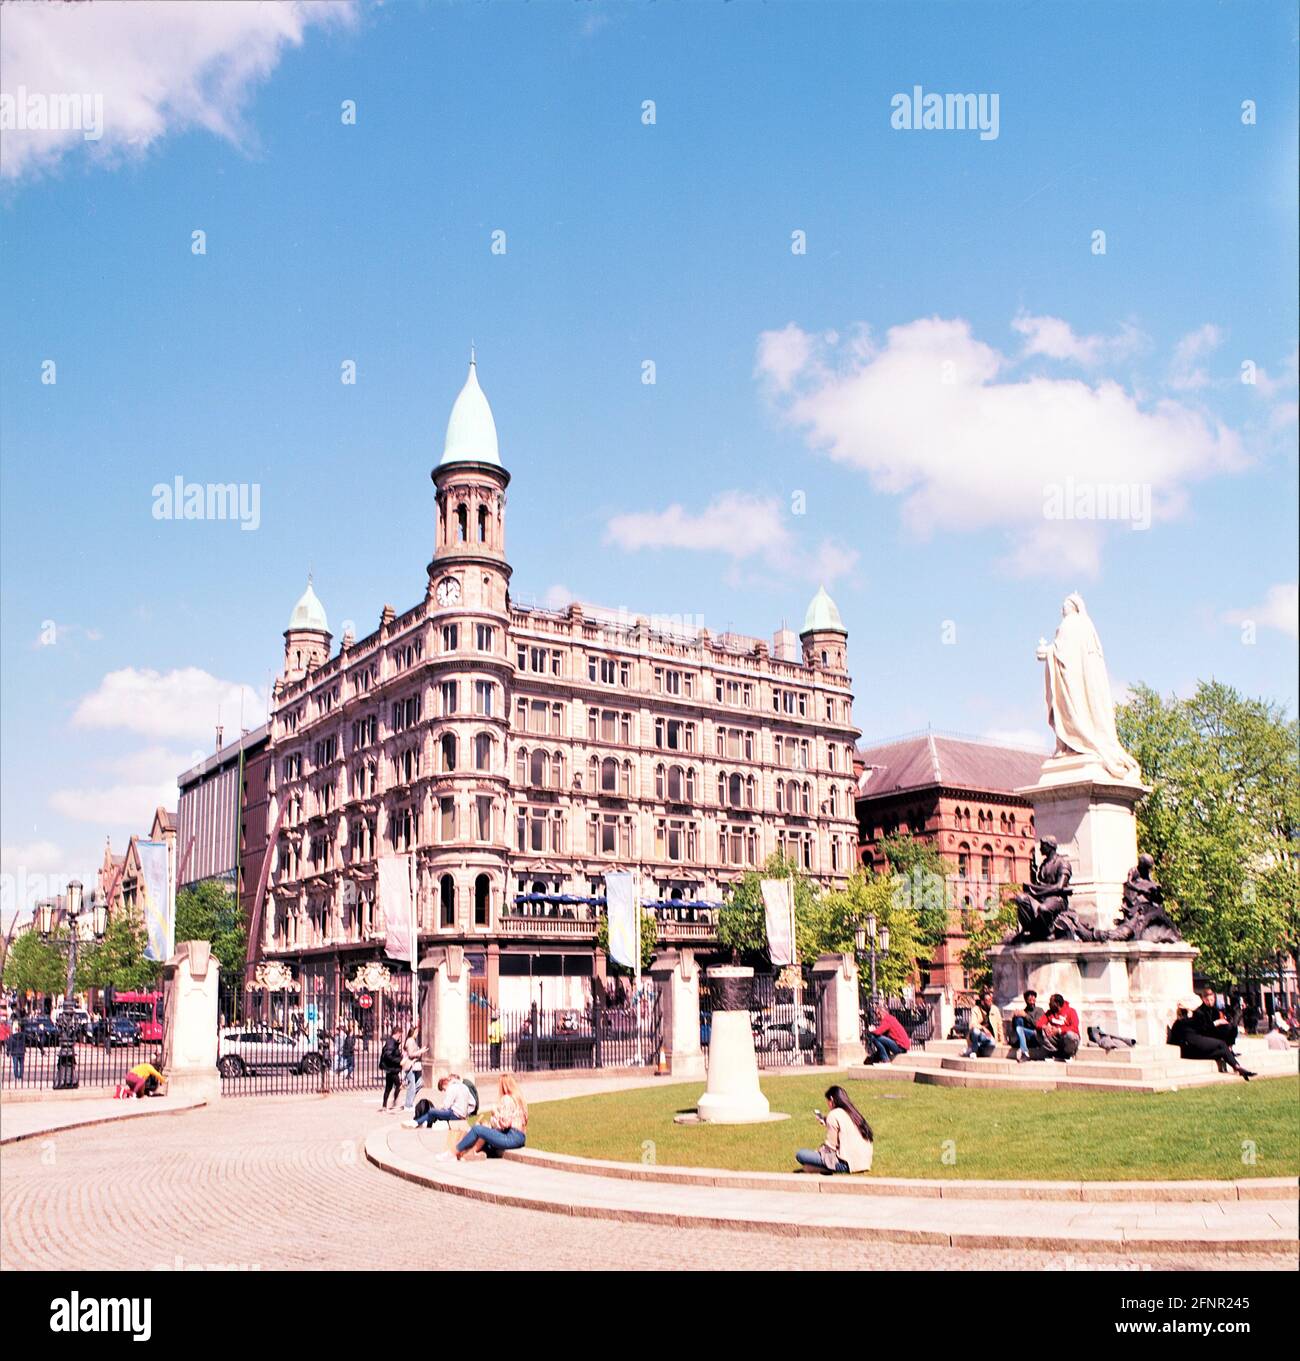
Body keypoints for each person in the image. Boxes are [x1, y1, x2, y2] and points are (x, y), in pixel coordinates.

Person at [794, 1085, 874, 1175]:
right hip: (864, 1162)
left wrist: (818, 1152)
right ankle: (816, 1168)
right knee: (814, 1159)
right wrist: (826, 1121)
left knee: (801, 1154)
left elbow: (831, 1146)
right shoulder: (853, 1113)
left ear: (831, 1099)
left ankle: (818, 1168)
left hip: (845, 1164)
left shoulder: (833, 1114)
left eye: (827, 1101)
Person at [1168, 1001, 1255, 1080]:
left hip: (1190, 1052)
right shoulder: (1188, 1021)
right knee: (1221, 1044)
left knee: (1222, 1051)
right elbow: (1204, 1029)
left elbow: (1174, 1039)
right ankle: (1237, 1067)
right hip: (1193, 1047)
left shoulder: (1178, 1024)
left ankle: (1238, 1067)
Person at [453, 1072, 528, 1160]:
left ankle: (454, 1151)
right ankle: (469, 1153)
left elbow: (504, 1124)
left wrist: (494, 1113)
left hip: (511, 1137)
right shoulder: (519, 1099)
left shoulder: (507, 1099)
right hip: (519, 1137)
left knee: (477, 1129)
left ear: (503, 1086)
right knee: (484, 1135)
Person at [406, 1073, 475, 1129]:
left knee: (432, 1111)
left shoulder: (451, 1088)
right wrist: (466, 1113)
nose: (444, 1091)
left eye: (443, 1089)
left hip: (454, 1114)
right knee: (434, 1113)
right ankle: (417, 1123)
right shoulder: (464, 1086)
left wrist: (441, 1108)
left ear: (444, 1085)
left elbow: (446, 1105)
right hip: (462, 1114)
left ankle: (419, 1123)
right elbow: (473, 1103)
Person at [1035, 993, 1080, 1062]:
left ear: (1057, 1003)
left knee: (1070, 1035)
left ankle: (1068, 1054)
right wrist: (1045, 1027)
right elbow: (1038, 1024)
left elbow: (1075, 1028)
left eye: (1051, 1002)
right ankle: (1054, 1052)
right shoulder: (1049, 1013)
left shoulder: (1071, 1011)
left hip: (1068, 1039)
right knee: (1037, 1032)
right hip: (1056, 1039)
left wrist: (1059, 1030)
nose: (1049, 1004)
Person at [963, 989, 1002, 1059]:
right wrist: (983, 1028)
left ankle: (974, 1048)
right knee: (975, 1031)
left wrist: (1001, 1039)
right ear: (982, 1002)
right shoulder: (976, 1009)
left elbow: (999, 1025)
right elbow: (972, 1024)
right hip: (978, 1034)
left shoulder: (995, 1009)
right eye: (987, 1000)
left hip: (988, 1037)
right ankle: (974, 1052)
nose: (990, 1002)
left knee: (993, 1043)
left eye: (991, 1000)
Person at [1011, 990, 1044, 1063]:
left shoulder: (1039, 1010)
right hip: (1026, 1037)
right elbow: (1015, 1028)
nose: (1032, 1001)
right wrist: (1015, 1017)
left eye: (1033, 999)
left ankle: (1025, 1052)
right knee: (1018, 1020)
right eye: (1030, 999)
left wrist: (1025, 1016)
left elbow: (1038, 1025)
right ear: (1026, 1000)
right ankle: (1023, 1047)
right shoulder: (1024, 1011)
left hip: (1036, 1036)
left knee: (1020, 1028)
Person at [400, 1026, 424, 1110]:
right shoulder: (410, 1041)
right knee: (412, 1085)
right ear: (413, 1032)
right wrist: (420, 1052)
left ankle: (409, 1101)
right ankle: (408, 1105)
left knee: (420, 1083)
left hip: (415, 1065)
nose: (417, 1034)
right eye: (416, 1032)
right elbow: (411, 1054)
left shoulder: (413, 1041)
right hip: (410, 1065)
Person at [378, 1028, 403, 1110]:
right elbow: (388, 1056)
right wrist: (399, 1060)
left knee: (388, 1087)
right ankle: (394, 1104)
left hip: (391, 1068)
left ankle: (384, 1105)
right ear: (397, 1033)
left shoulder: (392, 1042)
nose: (400, 1036)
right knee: (398, 1086)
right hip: (392, 1068)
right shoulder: (391, 1042)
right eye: (400, 1034)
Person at [6, 1017, 26, 1081]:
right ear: (19, 1029)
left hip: (14, 1052)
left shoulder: (11, 1036)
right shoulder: (22, 1035)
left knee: (15, 1065)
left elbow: (9, 1044)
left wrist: (8, 1051)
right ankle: (21, 1076)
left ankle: (16, 1076)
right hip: (21, 1051)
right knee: (21, 1065)